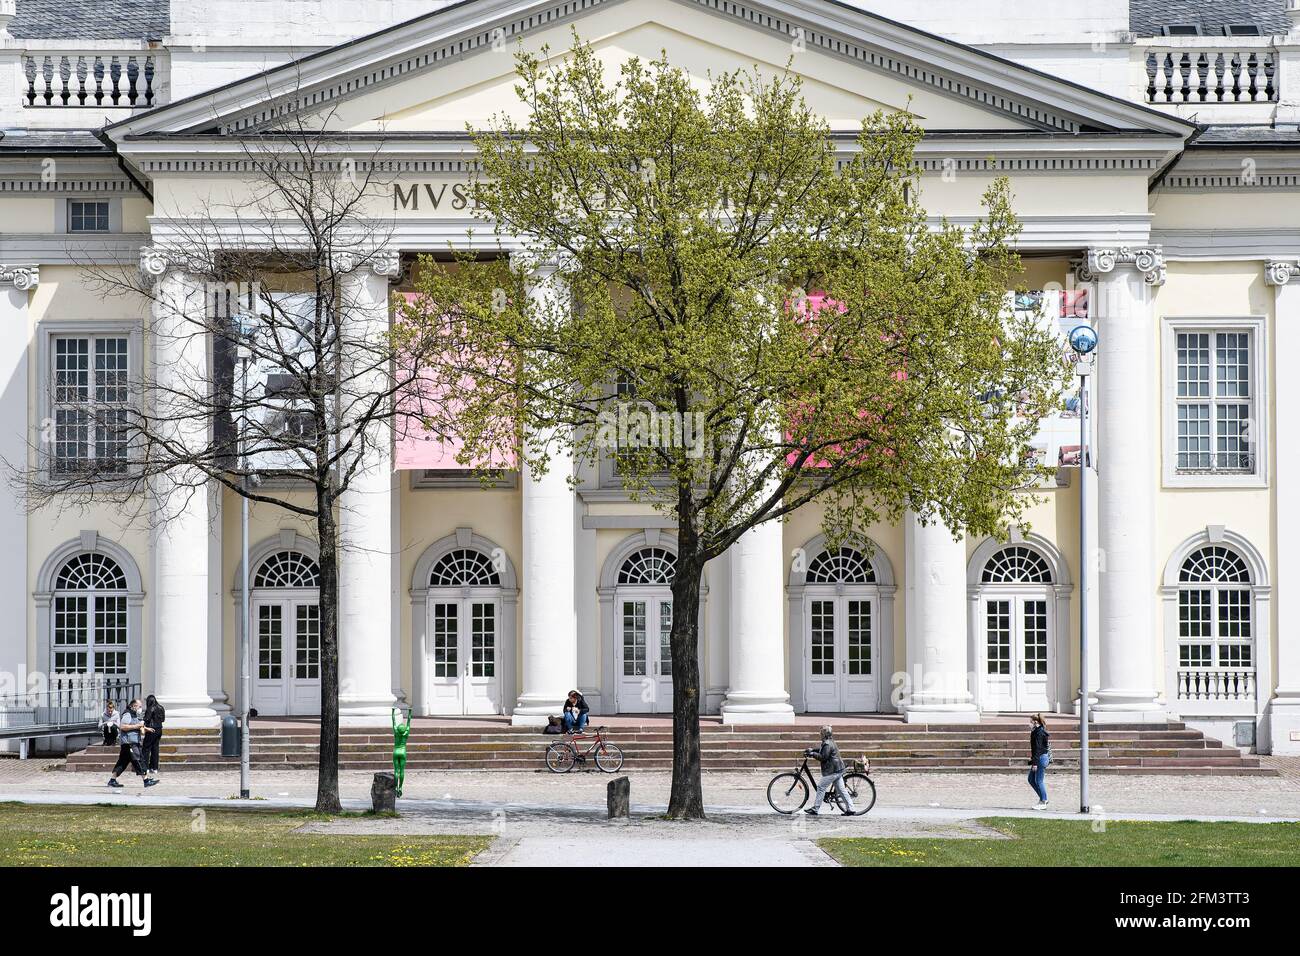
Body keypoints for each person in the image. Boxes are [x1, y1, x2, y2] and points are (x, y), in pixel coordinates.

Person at [805, 725, 854, 816]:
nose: (820, 734)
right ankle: (851, 809)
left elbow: (823, 757)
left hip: (832, 770)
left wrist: (812, 754)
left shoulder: (827, 743)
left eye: (821, 733)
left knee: (821, 787)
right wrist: (813, 750)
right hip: (838, 769)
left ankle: (815, 808)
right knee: (841, 790)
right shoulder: (829, 741)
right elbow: (822, 750)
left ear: (824, 734)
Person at [108, 699, 156, 788]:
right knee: (138, 759)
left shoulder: (134, 715)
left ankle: (112, 780)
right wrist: (138, 726)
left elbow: (136, 726)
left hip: (132, 742)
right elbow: (123, 726)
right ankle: (146, 780)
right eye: (139, 706)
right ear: (133, 706)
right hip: (129, 742)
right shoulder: (127, 714)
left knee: (122, 762)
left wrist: (146, 728)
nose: (140, 708)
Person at [1027, 713, 1051, 809]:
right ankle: (1043, 798)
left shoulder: (1039, 732)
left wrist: (1035, 763)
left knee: (1038, 780)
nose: (1029, 723)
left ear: (1035, 722)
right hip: (1039, 758)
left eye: (1031, 722)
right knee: (1031, 779)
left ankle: (1043, 801)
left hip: (1040, 758)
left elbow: (1038, 749)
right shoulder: (1036, 731)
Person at [143, 694, 166, 781]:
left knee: (146, 748)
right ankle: (155, 767)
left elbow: (147, 719)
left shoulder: (150, 708)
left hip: (151, 729)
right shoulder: (161, 707)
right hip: (159, 729)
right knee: (155, 748)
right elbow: (163, 719)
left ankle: (146, 767)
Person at [391, 707, 411, 797]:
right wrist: (409, 712)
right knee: (402, 771)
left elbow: (393, 721)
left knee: (396, 771)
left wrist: (393, 712)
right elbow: (409, 722)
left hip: (396, 751)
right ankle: (400, 787)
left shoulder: (396, 732)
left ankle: (395, 788)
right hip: (403, 751)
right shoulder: (406, 733)